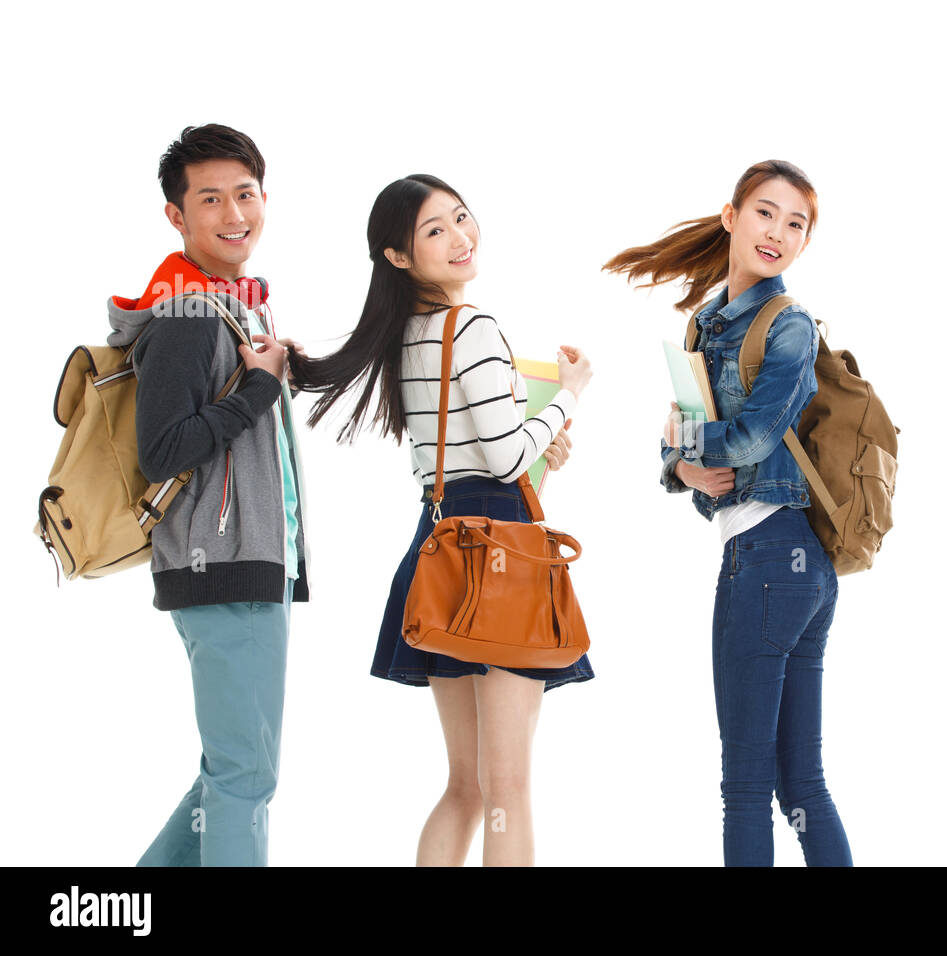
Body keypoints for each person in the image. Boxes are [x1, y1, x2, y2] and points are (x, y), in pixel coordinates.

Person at [289, 174, 593, 867]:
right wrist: (568, 397)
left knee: (467, 786)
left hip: (441, 545)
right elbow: (508, 452)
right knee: (507, 789)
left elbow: (471, 449)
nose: (460, 238)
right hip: (502, 555)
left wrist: (538, 435)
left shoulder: (409, 335)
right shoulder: (475, 325)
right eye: (435, 231)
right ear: (398, 256)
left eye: (461, 218)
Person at [605, 159, 851, 866]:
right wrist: (679, 464)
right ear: (731, 216)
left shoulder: (789, 326)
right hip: (790, 566)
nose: (778, 232)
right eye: (766, 213)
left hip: (772, 561)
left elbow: (748, 438)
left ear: (805, 241)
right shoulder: (705, 326)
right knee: (799, 780)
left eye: (796, 223)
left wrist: (678, 450)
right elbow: (685, 446)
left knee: (746, 787)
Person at [106, 124, 309, 866]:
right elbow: (161, 451)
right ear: (177, 216)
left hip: (241, 564)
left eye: (246, 194)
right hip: (220, 564)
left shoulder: (228, 304)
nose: (234, 214)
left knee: (230, 772)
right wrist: (258, 387)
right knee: (244, 777)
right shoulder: (187, 315)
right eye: (211, 198)